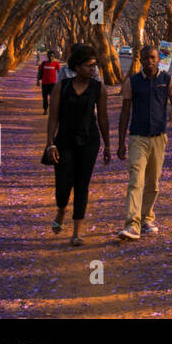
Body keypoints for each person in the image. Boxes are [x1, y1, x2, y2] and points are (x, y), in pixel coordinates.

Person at [117, 44, 172, 241]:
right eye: (145, 58)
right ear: (140, 59)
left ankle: (147, 218)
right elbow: (125, 113)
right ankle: (132, 225)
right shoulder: (132, 82)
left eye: (153, 58)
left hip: (159, 137)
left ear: (158, 59)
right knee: (135, 181)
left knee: (153, 183)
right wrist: (121, 142)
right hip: (137, 137)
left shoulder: (167, 80)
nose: (149, 61)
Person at [45, 44, 111, 246]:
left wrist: (108, 145)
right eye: (89, 66)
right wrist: (50, 144)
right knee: (63, 185)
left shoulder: (98, 88)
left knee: (82, 185)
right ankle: (61, 210)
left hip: (89, 141)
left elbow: (103, 118)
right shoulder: (62, 86)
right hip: (64, 141)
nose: (93, 69)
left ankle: (77, 233)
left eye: (94, 66)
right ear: (77, 66)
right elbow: (53, 117)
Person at [36, 49, 62, 114]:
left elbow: (60, 73)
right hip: (44, 84)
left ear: (54, 57)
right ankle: (45, 110)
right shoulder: (44, 63)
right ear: (47, 56)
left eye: (52, 56)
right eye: (49, 56)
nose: (51, 57)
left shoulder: (56, 64)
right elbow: (39, 72)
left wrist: (60, 81)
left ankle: (52, 110)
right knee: (44, 98)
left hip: (53, 84)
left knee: (52, 98)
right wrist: (38, 81)